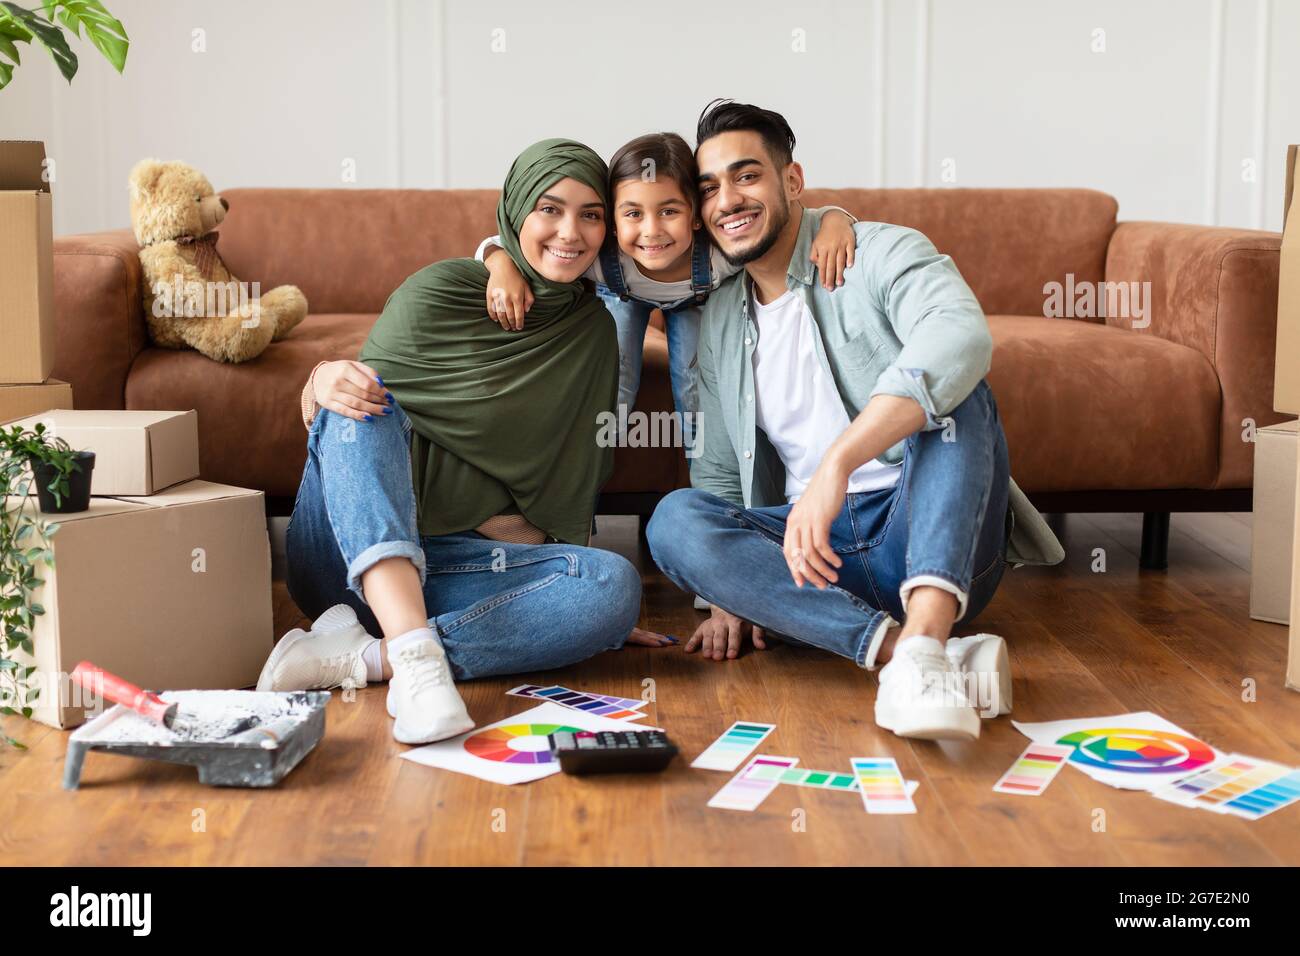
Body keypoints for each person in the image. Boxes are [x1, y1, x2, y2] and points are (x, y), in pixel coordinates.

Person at [646, 101, 1064, 742]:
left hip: (928, 536)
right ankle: (914, 658)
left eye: (747, 176)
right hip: (813, 557)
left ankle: (926, 631)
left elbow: (960, 338)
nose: (728, 199)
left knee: (961, 400)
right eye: (709, 189)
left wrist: (838, 462)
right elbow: (721, 468)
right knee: (675, 519)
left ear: (792, 180)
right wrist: (730, 592)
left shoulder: (877, 251)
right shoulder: (720, 315)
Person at [260, 138, 669, 745]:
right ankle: (420, 666)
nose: (570, 232)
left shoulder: (589, 333)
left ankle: (372, 657)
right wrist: (321, 380)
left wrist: (575, 601)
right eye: (549, 209)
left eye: (590, 215)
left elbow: (565, 493)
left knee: (612, 585)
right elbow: (350, 439)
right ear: (514, 212)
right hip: (344, 563)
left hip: (455, 571)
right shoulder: (441, 290)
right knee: (359, 396)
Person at [474, 131, 859, 458]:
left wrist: (836, 218)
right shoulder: (596, 256)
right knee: (615, 379)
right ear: (611, 219)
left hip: (693, 303)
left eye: (669, 211)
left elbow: (790, 227)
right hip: (621, 297)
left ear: (695, 215)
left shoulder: (720, 255)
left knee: (694, 389)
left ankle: (707, 486)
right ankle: (587, 476)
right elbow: (499, 244)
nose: (651, 231)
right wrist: (500, 266)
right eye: (633, 214)